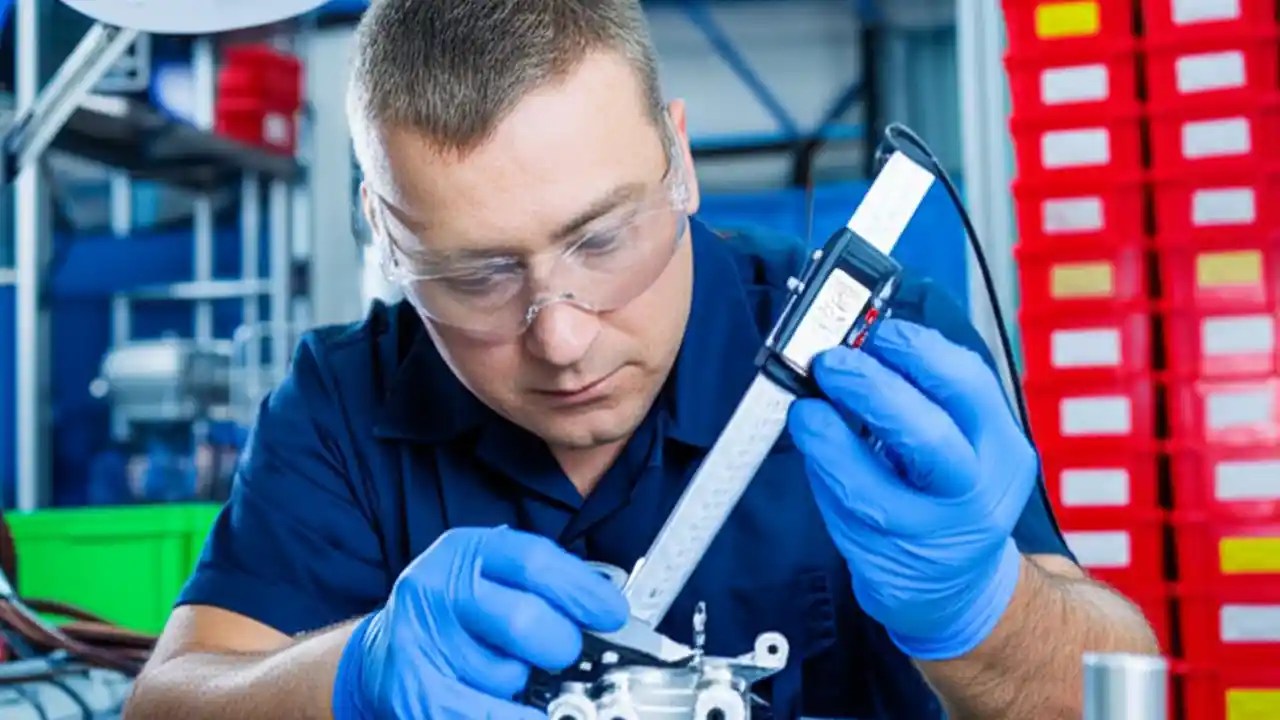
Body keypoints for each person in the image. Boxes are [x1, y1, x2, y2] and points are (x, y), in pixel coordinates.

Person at [123, 2, 1160, 718]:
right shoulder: (342, 401)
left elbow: (1112, 696)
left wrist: (976, 609)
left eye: (600, 239)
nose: (561, 337)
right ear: (384, 237)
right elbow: (169, 703)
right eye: (477, 274)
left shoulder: (875, 356)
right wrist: (350, 677)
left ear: (679, 163)